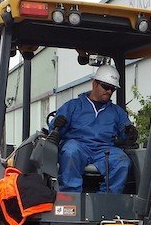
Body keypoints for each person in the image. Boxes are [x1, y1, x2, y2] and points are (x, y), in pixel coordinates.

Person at [48, 64, 137, 193]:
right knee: (70, 151)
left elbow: (125, 131)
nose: (109, 91)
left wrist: (129, 133)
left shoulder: (117, 112)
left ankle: (105, 201)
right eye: (106, 87)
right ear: (94, 84)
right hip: (79, 146)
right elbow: (55, 130)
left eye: (112, 89)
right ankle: (72, 198)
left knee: (122, 161)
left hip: (104, 149)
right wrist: (57, 123)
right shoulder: (73, 105)